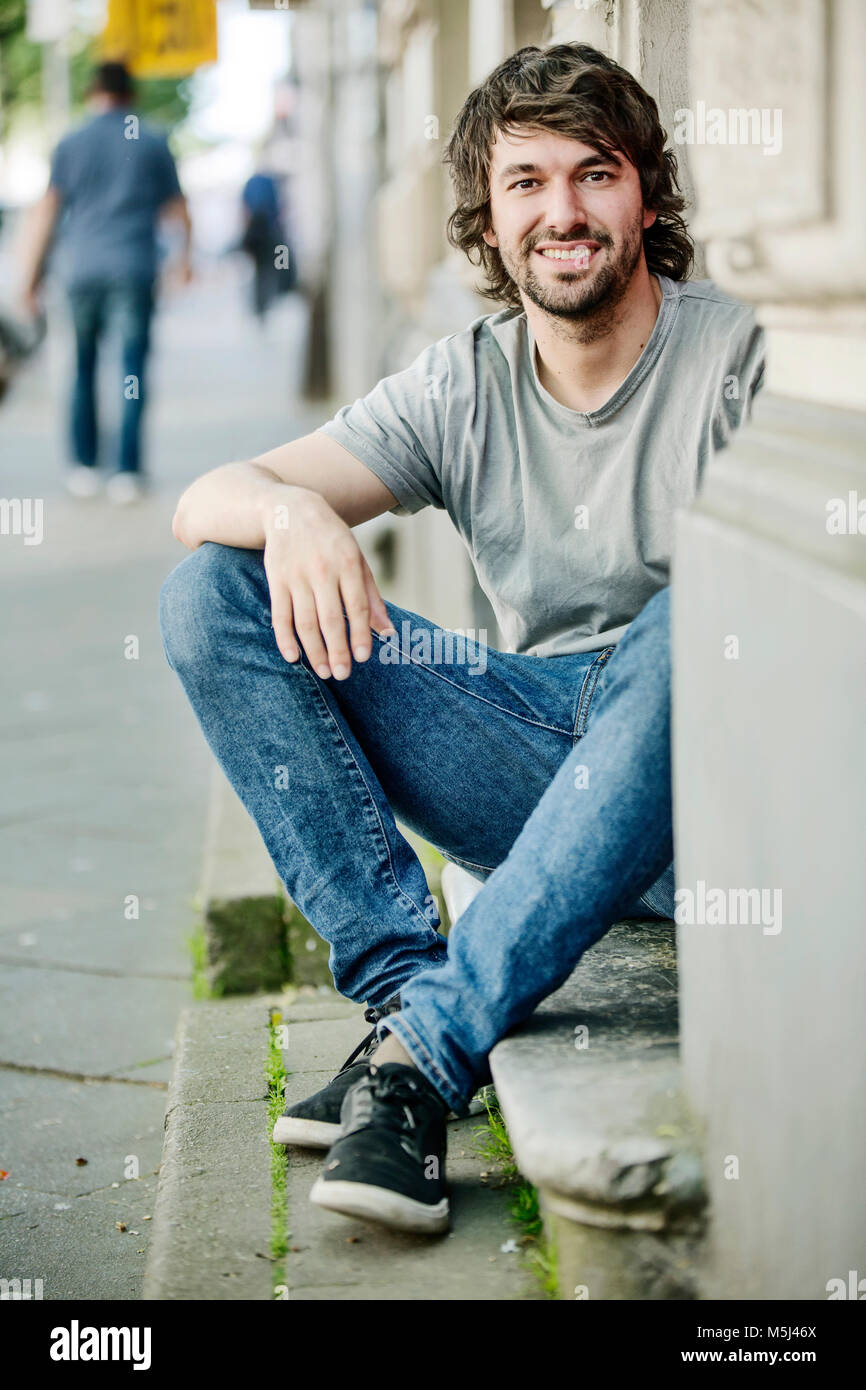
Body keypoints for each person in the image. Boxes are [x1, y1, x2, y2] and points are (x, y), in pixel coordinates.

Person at [159, 43, 765, 1235]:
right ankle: (400, 996)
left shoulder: (738, 353)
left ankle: (426, 1054)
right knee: (209, 589)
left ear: (644, 192)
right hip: (530, 756)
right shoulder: (463, 385)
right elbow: (200, 500)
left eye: (593, 175)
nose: (563, 213)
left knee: (702, 613)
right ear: (486, 218)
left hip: (709, 792)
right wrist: (291, 512)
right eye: (525, 182)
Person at [20, 61, 192, 503]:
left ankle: (84, 466)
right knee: (132, 369)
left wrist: (30, 279)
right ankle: (127, 472)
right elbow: (178, 209)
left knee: (81, 367)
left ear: (92, 93)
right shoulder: (153, 139)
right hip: (134, 269)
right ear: (131, 95)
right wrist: (183, 261)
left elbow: (48, 212)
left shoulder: (71, 141)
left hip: (80, 272)